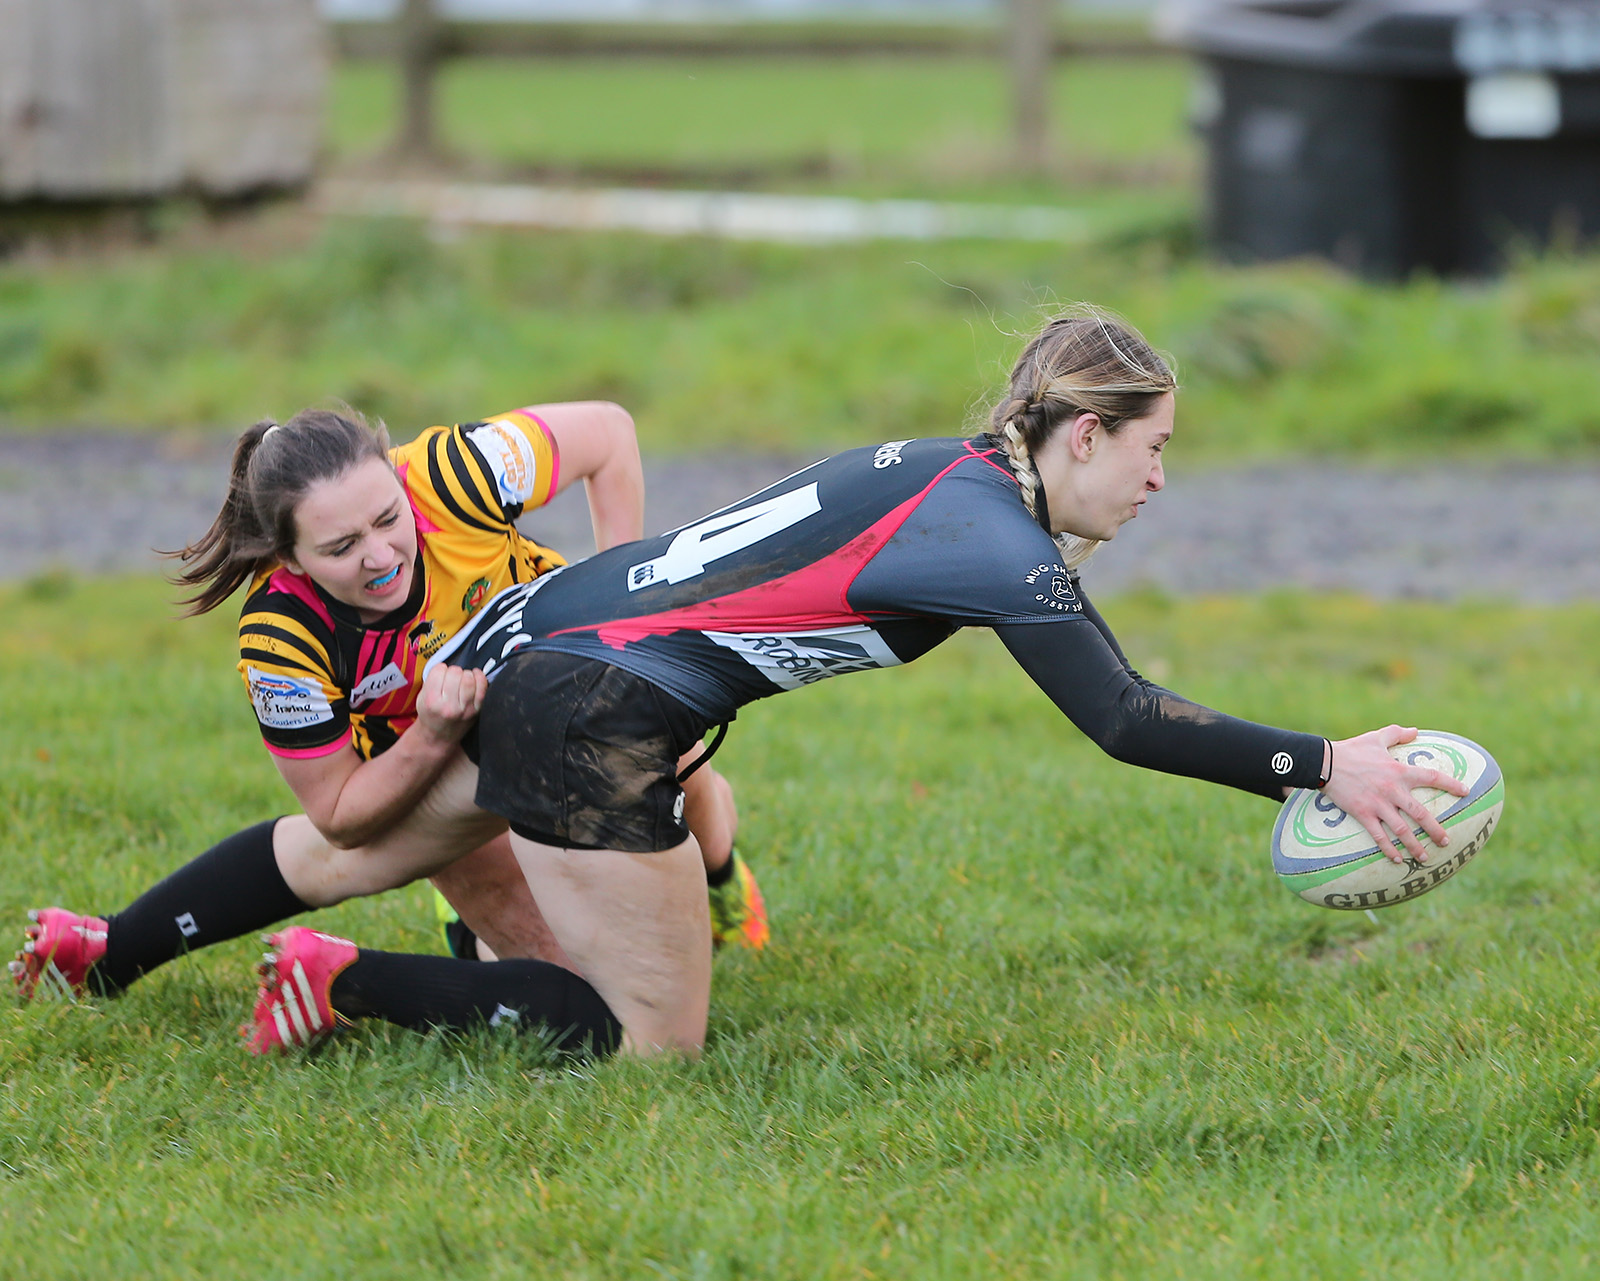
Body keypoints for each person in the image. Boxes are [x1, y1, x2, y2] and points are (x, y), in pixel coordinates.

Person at [207, 305, 1469, 1061]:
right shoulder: (991, 541)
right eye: (1152, 450)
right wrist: (1328, 765)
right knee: (652, 1046)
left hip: (564, 655)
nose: (1157, 480)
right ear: (1083, 434)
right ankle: (342, 979)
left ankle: (109, 955)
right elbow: (1124, 718)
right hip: (589, 711)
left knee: (352, 846)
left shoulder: (943, 467)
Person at [11, 401, 766, 1010]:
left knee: (690, 774)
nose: (379, 555)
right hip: (428, 761)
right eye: (340, 547)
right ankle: (447, 927)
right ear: (290, 558)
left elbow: (609, 434)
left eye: (387, 518)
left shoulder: (454, 471)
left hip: (567, 681)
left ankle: (724, 878)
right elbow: (338, 817)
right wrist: (435, 733)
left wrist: (615, 613)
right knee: (587, 991)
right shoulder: (282, 635)